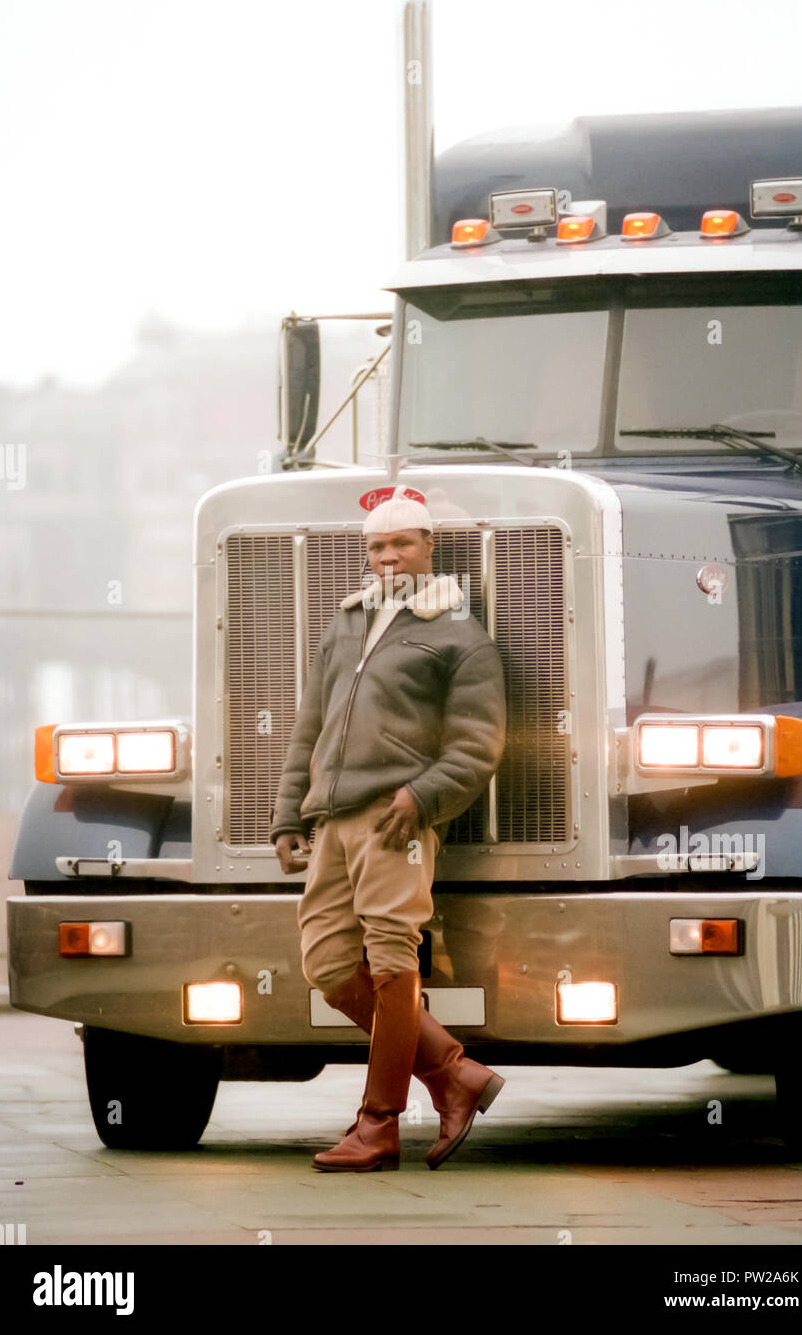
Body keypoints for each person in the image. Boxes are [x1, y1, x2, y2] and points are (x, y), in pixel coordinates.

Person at [271, 483, 508, 1172]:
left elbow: (478, 743)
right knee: (327, 965)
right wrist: (290, 811)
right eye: (376, 545)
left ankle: (378, 1125)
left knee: (390, 957)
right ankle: (455, 1074)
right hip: (332, 819)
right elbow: (308, 727)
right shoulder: (345, 625)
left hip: (394, 817)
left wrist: (422, 797)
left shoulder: (460, 634)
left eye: (402, 542)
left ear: (429, 546)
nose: (389, 556)